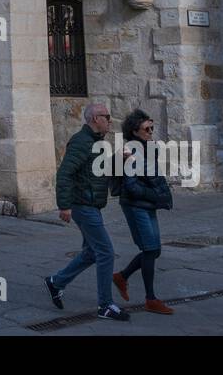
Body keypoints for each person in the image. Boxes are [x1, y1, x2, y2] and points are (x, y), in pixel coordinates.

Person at [44, 103, 129, 321]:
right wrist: (64, 206)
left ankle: (57, 282)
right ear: (94, 119)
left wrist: (118, 160)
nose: (110, 120)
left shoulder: (96, 142)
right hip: (83, 205)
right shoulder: (81, 142)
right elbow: (65, 174)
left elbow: (96, 171)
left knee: (92, 252)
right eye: (106, 117)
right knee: (106, 252)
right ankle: (105, 305)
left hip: (91, 204)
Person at [113, 109, 173, 316]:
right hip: (135, 205)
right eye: (147, 128)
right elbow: (130, 186)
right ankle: (150, 299)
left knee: (155, 250)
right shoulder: (129, 151)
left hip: (147, 204)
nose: (151, 131)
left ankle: (122, 277)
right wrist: (153, 195)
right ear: (134, 131)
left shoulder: (148, 147)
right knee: (150, 249)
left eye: (152, 128)